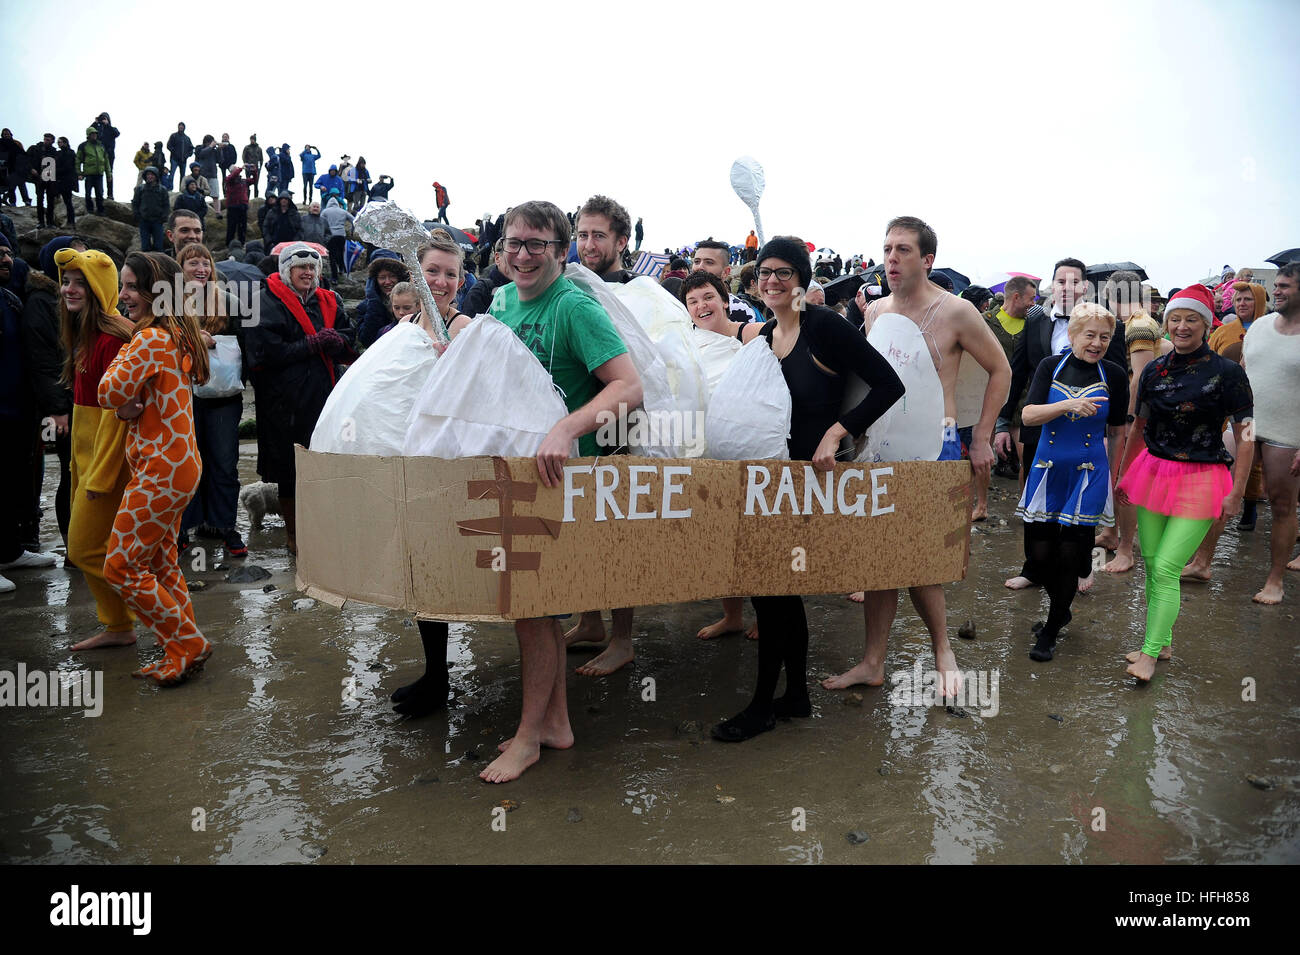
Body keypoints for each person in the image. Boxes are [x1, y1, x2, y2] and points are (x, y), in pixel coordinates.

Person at [443, 201, 642, 783]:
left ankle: (529, 736)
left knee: (534, 610)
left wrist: (567, 426)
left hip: (566, 475)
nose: (522, 254)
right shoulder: (501, 301)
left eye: (537, 244)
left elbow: (629, 388)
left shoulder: (574, 307)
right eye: (513, 243)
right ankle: (554, 724)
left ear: (562, 251)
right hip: (517, 473)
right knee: (534, 609)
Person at [712, 236, 904, 742]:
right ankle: (793, 694)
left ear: (802, 278)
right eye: (764, 273)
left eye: (784, 272)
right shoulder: (770, 332)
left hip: (807, 480)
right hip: (770, 479)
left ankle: (761, 706)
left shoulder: (824, 327)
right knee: (774, 592)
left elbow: (889, 384)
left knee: (773, 591)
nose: (772, 281)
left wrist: (839, 434)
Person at [824, 216, 1010, 697]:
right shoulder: (876, 311)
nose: (891, 258)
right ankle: (872, 661)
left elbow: (1001, 370)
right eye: (887, 248)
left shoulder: (958, 312)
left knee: (921, 560)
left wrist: (984, 436)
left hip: (937, 445)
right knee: (878, 560)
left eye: (903, 249)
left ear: (927, 260)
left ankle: (944, 652)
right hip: (882, 449)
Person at [1114, 284, 1253, 680]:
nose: (1182, 326)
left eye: (1191, 319)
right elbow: (1139, 425)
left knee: (1169, 566)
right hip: (1154, 472)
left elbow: (1247, 433)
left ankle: (1149, 652)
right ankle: (1164, 640)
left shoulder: (1227, 373)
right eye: (1175, 319)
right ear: (1165, 323)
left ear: (1206, 325)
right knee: (1154, 564)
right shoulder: (1154, 370)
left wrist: (1238, 491)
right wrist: (1124, 474)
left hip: (1203, 476)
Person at [101, 252, 212, 684]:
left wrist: (126, 397)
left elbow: (109, 390)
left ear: (154, 292)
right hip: (180, 466)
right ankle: (180, 648)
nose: (123, 295)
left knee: (121, 567)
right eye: (123, 285)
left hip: (160, 470)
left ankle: (187, 642)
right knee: (163, 565)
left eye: (131, 286)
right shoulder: (177, 334)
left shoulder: (147, 339)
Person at [1002, 257, 1126, 591]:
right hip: (1039, 425)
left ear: (1085, 287)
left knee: (1083, 510)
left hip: (1086, 433)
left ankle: (1082, 568)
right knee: (1038, 505)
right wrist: (1003, 421)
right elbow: (1019, 371)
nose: (1067, 287)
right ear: (1052, 286)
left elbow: (1115, 379)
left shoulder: (1106, 325)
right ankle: (1034, 569)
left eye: (1074, 282)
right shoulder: (1035, 318)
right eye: (1061, 281)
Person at [1015, 303, 1128, 661]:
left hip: (1089, 473)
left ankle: (1051, 628)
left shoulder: (1115, 374)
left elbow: (1118, 430)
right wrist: (1067, 406)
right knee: (1039, 552)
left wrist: (1115, 475)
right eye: (1090, 335)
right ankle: (1060, 607)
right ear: (1074, 335)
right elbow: (1029, 416)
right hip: (1047, 470)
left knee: (1068, 553)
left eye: (1105, 337)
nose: (1097, 343)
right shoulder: (1051, 366)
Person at [564, 194, 644, 675]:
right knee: (578, 528)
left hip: (622, 422)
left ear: (621, 240)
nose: (588, 244)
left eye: (599, 235)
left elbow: (655, 359)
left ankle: (623, 638)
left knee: (616, 532)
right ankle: (590, 620)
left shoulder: (639, 291)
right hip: (576, 415)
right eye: (582, 234)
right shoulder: (572, 283)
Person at [245, 243, 356, 555]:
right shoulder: (262, 300)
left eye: (313, 267)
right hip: (284, 402)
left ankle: (325, 528)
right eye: (301, 267)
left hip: (325, 396)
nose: (308, 272)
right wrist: (311, 343)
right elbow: (261, 352)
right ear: (286, 270)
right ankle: (294, 536)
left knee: (325, 462)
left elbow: (350, 336)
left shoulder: (330, 300)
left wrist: (338, 341)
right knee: (289, 471)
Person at [54, 247, 137, 650]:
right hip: (85, 452)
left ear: (99, 290)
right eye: (65, 282)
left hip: (107, 460)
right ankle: (119, 626)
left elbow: (118, 416)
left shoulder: (112, 338)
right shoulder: (83, 334)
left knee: (84, 547)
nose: (68, 289)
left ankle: (155, 612)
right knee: (96, 547)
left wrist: (101, 476)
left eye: (79, 283)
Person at [680, 269, 764, 642]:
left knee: (754, 537)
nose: (701, 306)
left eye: (708, 297)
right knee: (719, 537)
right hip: (704, 452)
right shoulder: (685, 344)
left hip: (748, 450)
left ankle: (766, 612)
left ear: (725, 300)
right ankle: (731, 615)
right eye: (693, 301)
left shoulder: (747, 336)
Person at [1180, 279, 1271, 577]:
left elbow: (1246, 428)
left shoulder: (1259, 338)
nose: (1242, 303)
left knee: (1223, 486)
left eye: (1249, 299)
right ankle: (1194, 557)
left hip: (1245, 417)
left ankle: (1208, 555)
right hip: (1209, 423)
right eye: (1238, 299)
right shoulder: (1218, 337)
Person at [176, 244, 246, 559]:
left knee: (224, 463)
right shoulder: (169, 304)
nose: (201, 269)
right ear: (181, 267)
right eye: (193, 263)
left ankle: (225, 526)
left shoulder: (229, 302)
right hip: (180, 398)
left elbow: (247, 346)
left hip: (223, 397)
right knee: (185, 464)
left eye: (206, 263)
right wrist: (191, 339)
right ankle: (182, 528)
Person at [0, 239, 60, 593]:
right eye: (0, 254)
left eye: (8, 253)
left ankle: (8, 551)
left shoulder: (10, 299)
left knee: (9, 486)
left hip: (15, 412)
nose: (7, 259)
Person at [1240, 263, 1300, 603]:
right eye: (1275, 285)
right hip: (1247, 425)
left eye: (1285, 286)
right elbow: (1244, 371)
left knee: (1281, 505)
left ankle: (1275, 581)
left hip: (1288, 433)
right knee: (1223, 489)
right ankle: (1201, 563)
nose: (1276, 291)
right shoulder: (1261, 326)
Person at [1101, 294, 1173, 574]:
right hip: (1139, 416)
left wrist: (1128, 419)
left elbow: (1140, 376)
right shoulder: (1138, 323)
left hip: (1138, 419)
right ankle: (1110, 534)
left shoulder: (1139, 325)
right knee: (1118, 476)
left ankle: (1126, 550)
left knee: (1127, 481)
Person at [989, 275, 1037, 481]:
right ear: (1016, 297)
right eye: (1031, 299)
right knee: (980, 458)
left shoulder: (1034, 325)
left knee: (1028, 462)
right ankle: (980, 503)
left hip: (1021, 402)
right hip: (988, 399)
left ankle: (1024, 509)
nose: (1034, 304)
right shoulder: (986, 322)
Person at [692, 239, 759, 321]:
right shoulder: (684, 303)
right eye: (697, 261)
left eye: (709, 262)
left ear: (725, 272)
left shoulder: (738, 309)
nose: (700, 267)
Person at [356, 254, 411, 347]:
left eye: (392, 276)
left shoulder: (414, 301)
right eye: (382, 277)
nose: (388, 282)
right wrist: (374, 304)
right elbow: (366, 340)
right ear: (375, 281)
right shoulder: (364, 307)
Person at [131, 167, 169, 252]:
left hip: (157, 221)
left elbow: (166, 205)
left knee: (159, 247)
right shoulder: (140, 189)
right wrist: (137, 216)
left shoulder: (162, 190)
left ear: (156, 176)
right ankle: (146, 264)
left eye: (152, 174)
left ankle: (159, 264)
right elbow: (135, 203)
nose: (149, 176)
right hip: (144, 221)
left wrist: (164, 217)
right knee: (145, 247)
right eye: (148, 174)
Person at [28, 133, 58, 229]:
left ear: (52, 141)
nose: (46, 141)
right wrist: (31, 169)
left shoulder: (54, 152)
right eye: (45, 139)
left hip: (50, 177)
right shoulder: (36, 149)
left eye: (48, 140)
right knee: (40, 199)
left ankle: (50, 222)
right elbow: (26, 159)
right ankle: (41, 222)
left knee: (50, 200)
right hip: (38, 177)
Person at [77, 126, 109, 215]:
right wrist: (79, 173)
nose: (95, 135)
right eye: (93, 134)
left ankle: (100, 210)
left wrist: (109, 174)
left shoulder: (101, 145)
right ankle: (90, 210)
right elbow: (78, 160)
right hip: (89, 174)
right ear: (88, 135)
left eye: (95, 134)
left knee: (99, 194)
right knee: (88, 194)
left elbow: (106, 161)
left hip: (99, 174)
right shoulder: (83, 146)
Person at [321, 196, 353, 283]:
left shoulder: (325, 211)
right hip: (342, 236)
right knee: (340, 253)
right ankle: (342, 269)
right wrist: (352, 231)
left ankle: (334, 278)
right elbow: (353, 220)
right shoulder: (343, 211)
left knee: (332, 257)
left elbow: (321, 222)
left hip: (331, 236)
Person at [0, 129, 30, 206]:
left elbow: (23, 153)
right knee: (9, 186)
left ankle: (26, 201)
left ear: (11, 134)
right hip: (4, 167)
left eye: (8, 134)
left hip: (17, 167)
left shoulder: (16, 143)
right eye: (5, 134)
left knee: (21, 184)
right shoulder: (1, 143)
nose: (6, 135)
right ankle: (12, 202)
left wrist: (24, 165)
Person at [195, 135, 221, 216]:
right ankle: (198, 211)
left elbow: (220, 160)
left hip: (213, 174)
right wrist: (210, 146)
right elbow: (201, 154)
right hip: (202, 175)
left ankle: (217, 212)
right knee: (200, 195)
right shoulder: (199, 148)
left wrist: (219, 150)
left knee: (215, 195)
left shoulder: (214, 150)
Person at [224, 164, 250, 246]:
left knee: (242, 227)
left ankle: (242, 244)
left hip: (243, 206)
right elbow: (232, 177)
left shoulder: (243, 181)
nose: (237, 171)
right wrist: (241, 168)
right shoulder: (229, 179)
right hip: (233, 207)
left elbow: (254, 180)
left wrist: (254, 170)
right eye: (235, 170)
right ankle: (229, 245)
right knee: (231, 227)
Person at [54, 136, 78, 227]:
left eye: (60, 142)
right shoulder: (58, 153)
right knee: (55, 200)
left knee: (68, 202)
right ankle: (54, 221)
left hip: (66, 180)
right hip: (59, 180)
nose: (59, 144)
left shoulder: (70, 153)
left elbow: (68, 166)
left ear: (65, 143)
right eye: (58, 142)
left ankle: (71, 221)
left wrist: (56, 170)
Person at [165, 123, 193, 191]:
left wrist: (187, 155)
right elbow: (168, 145)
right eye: (180, 127)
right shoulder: (174, 135)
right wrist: (174, 152)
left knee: (183, 176)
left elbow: (191, 148)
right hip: (174, 159)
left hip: (183, 160)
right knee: (172, 174)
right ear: (178, 127)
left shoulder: (187, 138)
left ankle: (182, 190)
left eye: (182, 127)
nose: (181, 128)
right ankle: (169, 189)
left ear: (184, 128)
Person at [242, 134, 263, 199]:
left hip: (256, 168)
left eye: (253, 139)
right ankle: (247, 198)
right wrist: (246, 164)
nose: (252, 141)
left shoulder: (259, 149)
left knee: (256, 184)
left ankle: (256, 198)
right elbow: (243, 156)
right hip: (248, 168)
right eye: (251, 139)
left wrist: (259, 168)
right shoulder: (247, 147)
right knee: (247, 183)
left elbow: (261, 159)